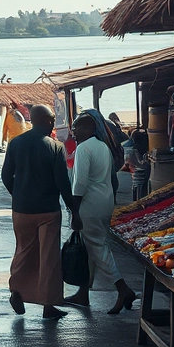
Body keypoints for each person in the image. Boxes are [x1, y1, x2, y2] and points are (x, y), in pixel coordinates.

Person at [0, 105, 72, 320]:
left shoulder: (16, 143)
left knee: (23, 251)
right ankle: (48, 306)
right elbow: (63, 183)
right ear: (47, 121)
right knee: (49, 257)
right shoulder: (55, 147)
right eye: (51, 119)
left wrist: (18, 195)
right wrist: (73, 209)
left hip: (22, 210)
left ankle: (16, 292)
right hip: (48, 211)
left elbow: (6, 176)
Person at [69, 109, 137, 314]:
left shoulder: (83, 149)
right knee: (93, 247)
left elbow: (80, 182)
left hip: (90, 204)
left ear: (88, 128)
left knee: (98, 248)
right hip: (105, 202)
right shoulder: (103, 147)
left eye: (77, 127)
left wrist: (75, 211)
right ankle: (83, 293)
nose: (73, 131)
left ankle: (122, 288)